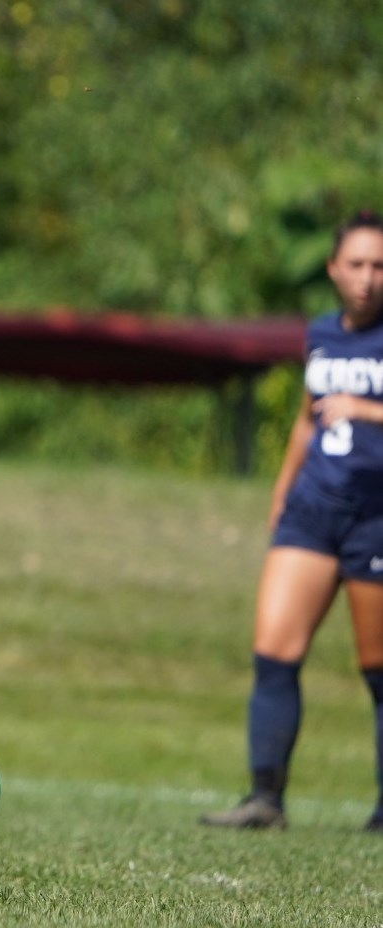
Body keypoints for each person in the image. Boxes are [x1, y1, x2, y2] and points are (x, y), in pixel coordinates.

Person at [201, 210, 383, 833]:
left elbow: (349, 408)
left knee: (378, 669)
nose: (367, 278)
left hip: (376, 519)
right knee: (274, 652)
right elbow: (308, 418)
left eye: (379, 265)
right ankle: (265, 800)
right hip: (312, 511)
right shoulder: (320, 333)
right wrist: (282, 491)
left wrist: (366, 408)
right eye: (356, 264)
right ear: (333, 268)